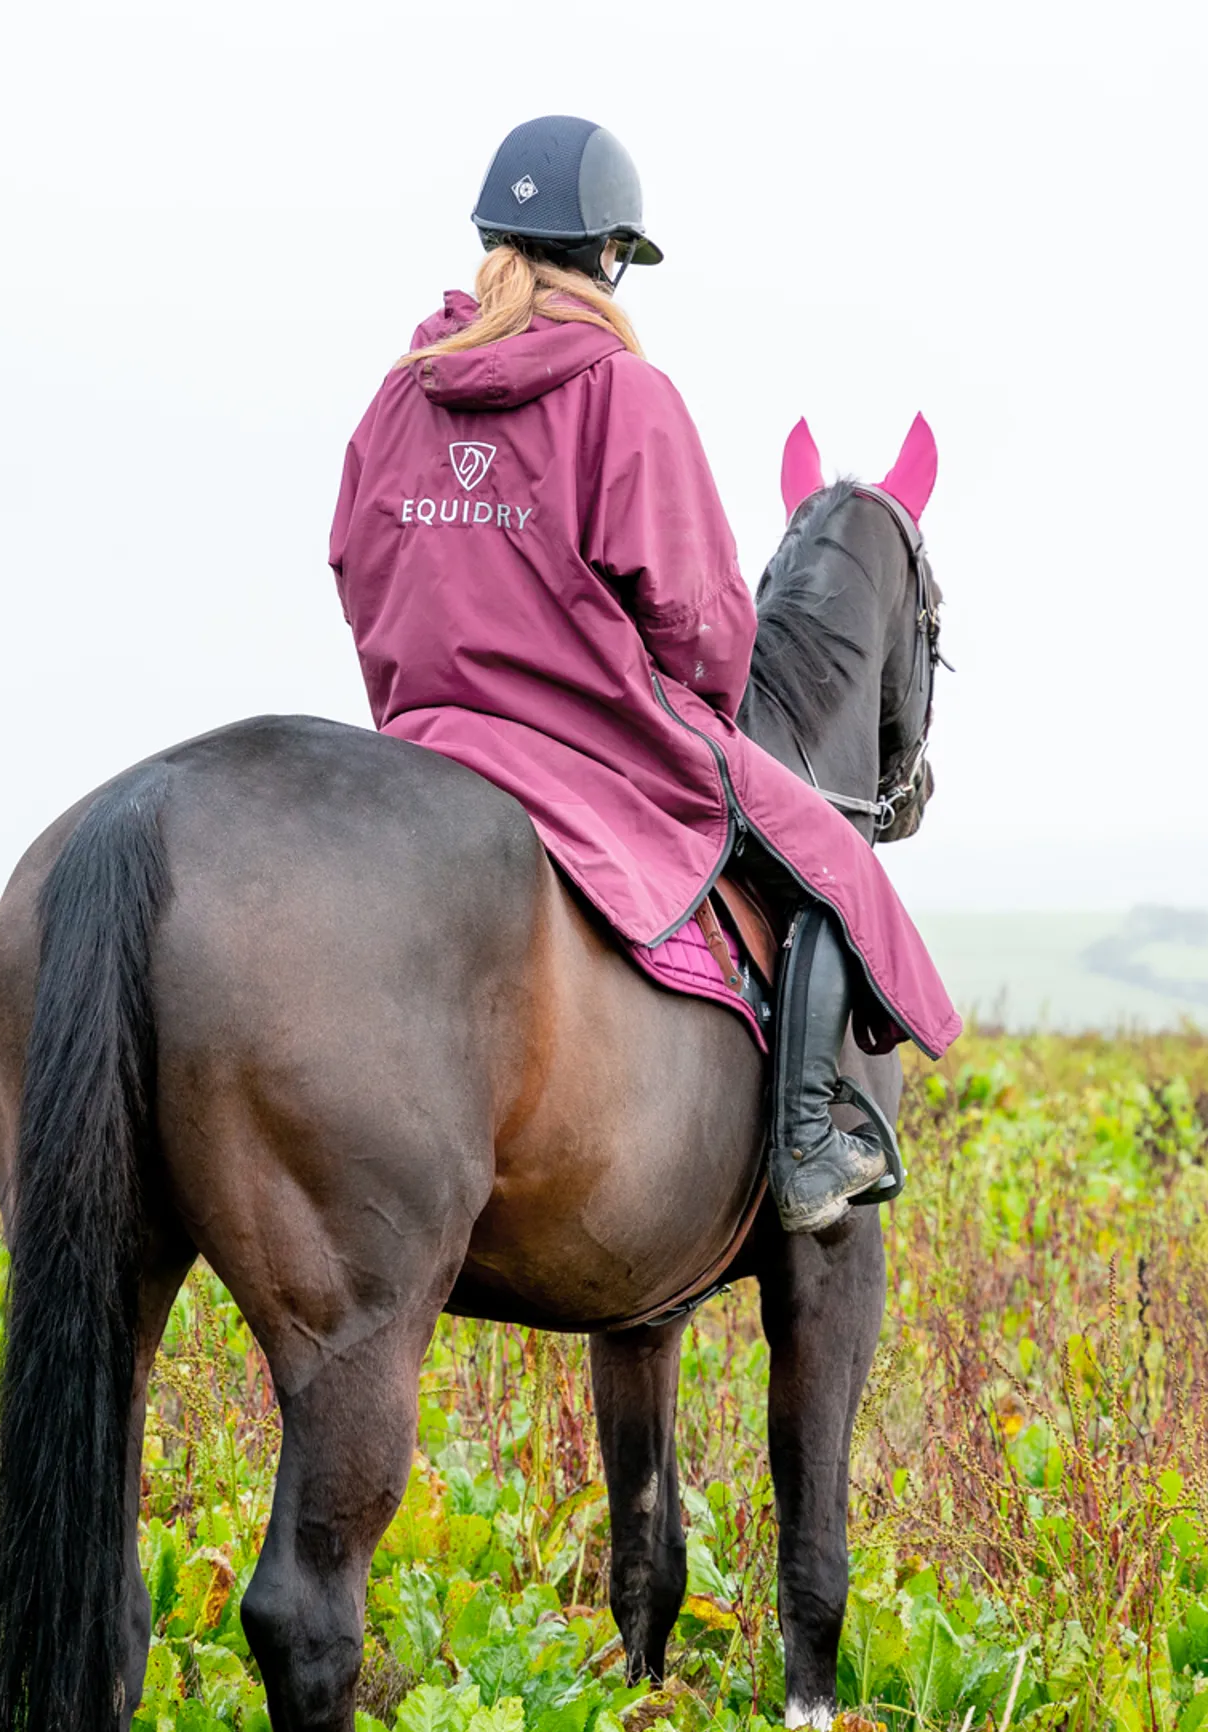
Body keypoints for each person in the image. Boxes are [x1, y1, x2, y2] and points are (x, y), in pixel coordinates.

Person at [330, 115, 961, 1234]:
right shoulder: (625, 393)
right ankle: (809, 1144)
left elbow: (355, 561)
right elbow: (705, 622)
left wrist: (417, 696)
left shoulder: (399, 392)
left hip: (423, 730)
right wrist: (695, 703)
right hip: (595, 735)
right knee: (827, 853)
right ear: (610, 256)